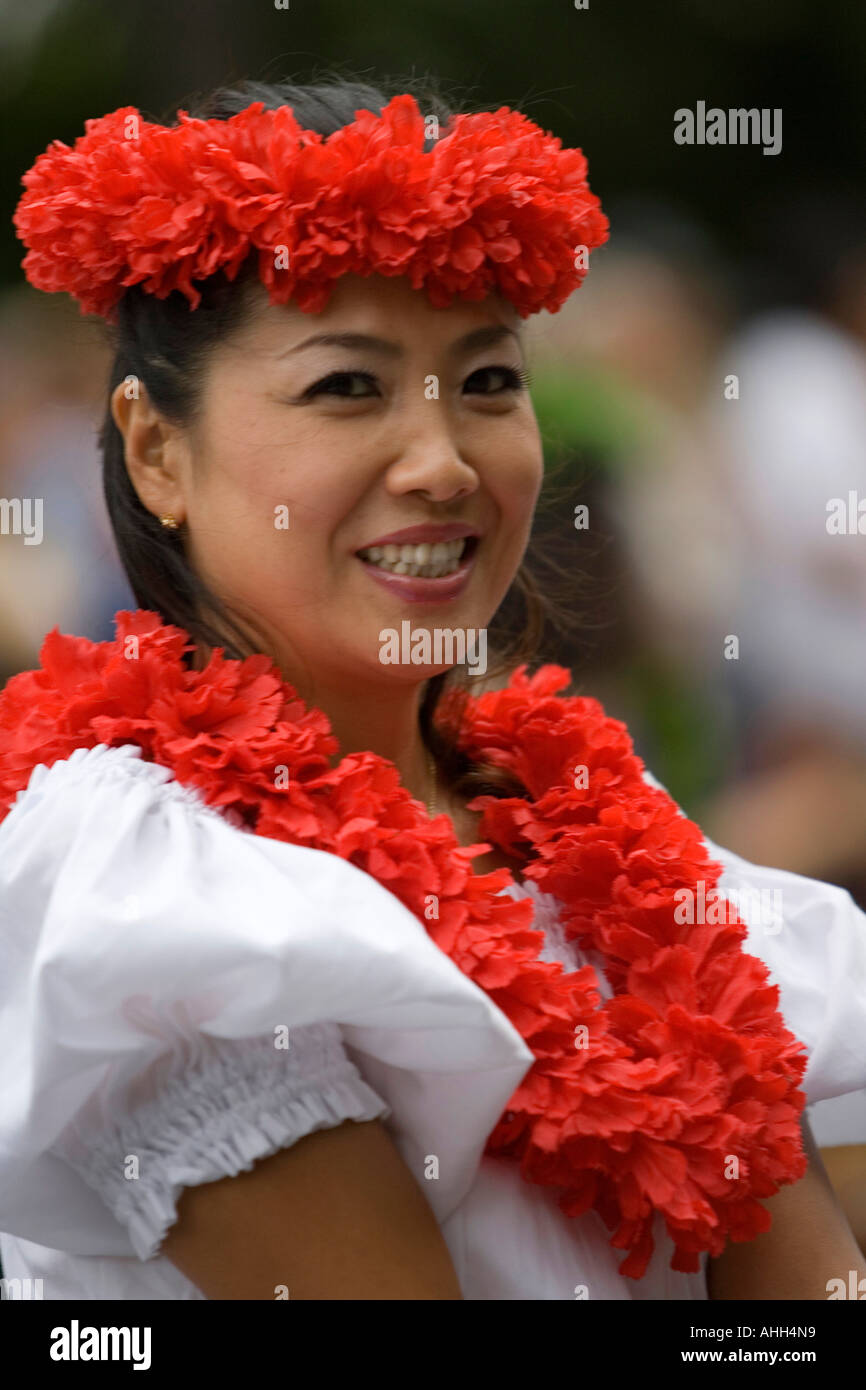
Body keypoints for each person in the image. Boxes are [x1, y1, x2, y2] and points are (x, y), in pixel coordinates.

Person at [0, 75, 864, 1302]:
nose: (442, 461)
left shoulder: (608, 841)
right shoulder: (155, 899)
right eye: (345, 386)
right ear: (155, 452)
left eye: (487, 381)